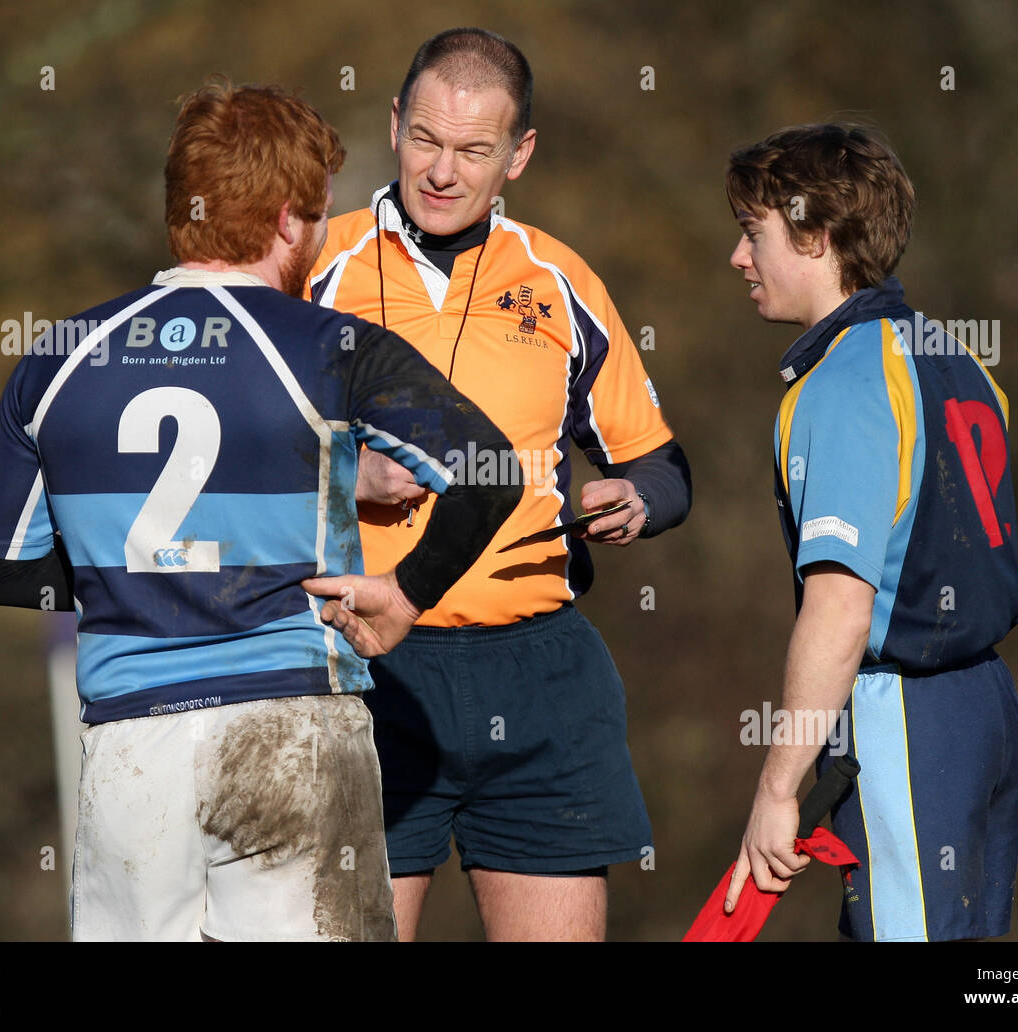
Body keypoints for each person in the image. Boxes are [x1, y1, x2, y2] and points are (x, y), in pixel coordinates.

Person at [0, 78, 521, 942]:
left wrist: (139, 575)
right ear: (290, 218)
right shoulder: (332, 346)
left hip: (130, 748)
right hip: (292, 726)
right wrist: (405, 594)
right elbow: (490, 473)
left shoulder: (57, 358)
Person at [308, 28, 692, 941]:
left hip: (537, 674)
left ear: (518, 155)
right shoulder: (316, 265)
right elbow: (234, 460)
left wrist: (641, 501)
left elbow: (663, 466)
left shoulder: (561, 279)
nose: (443, 171)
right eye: (426, 140)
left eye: (474, 150)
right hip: (359, 668)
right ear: (395, 123)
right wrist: (342, 473)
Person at [722, 123, 1018, 941]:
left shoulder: (844, 380)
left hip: (907, 715)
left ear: (815, 235)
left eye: (755, 234)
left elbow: (842, 609)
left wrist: (778, 786)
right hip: (990, 704)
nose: (739, 258)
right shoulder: (959, 355)